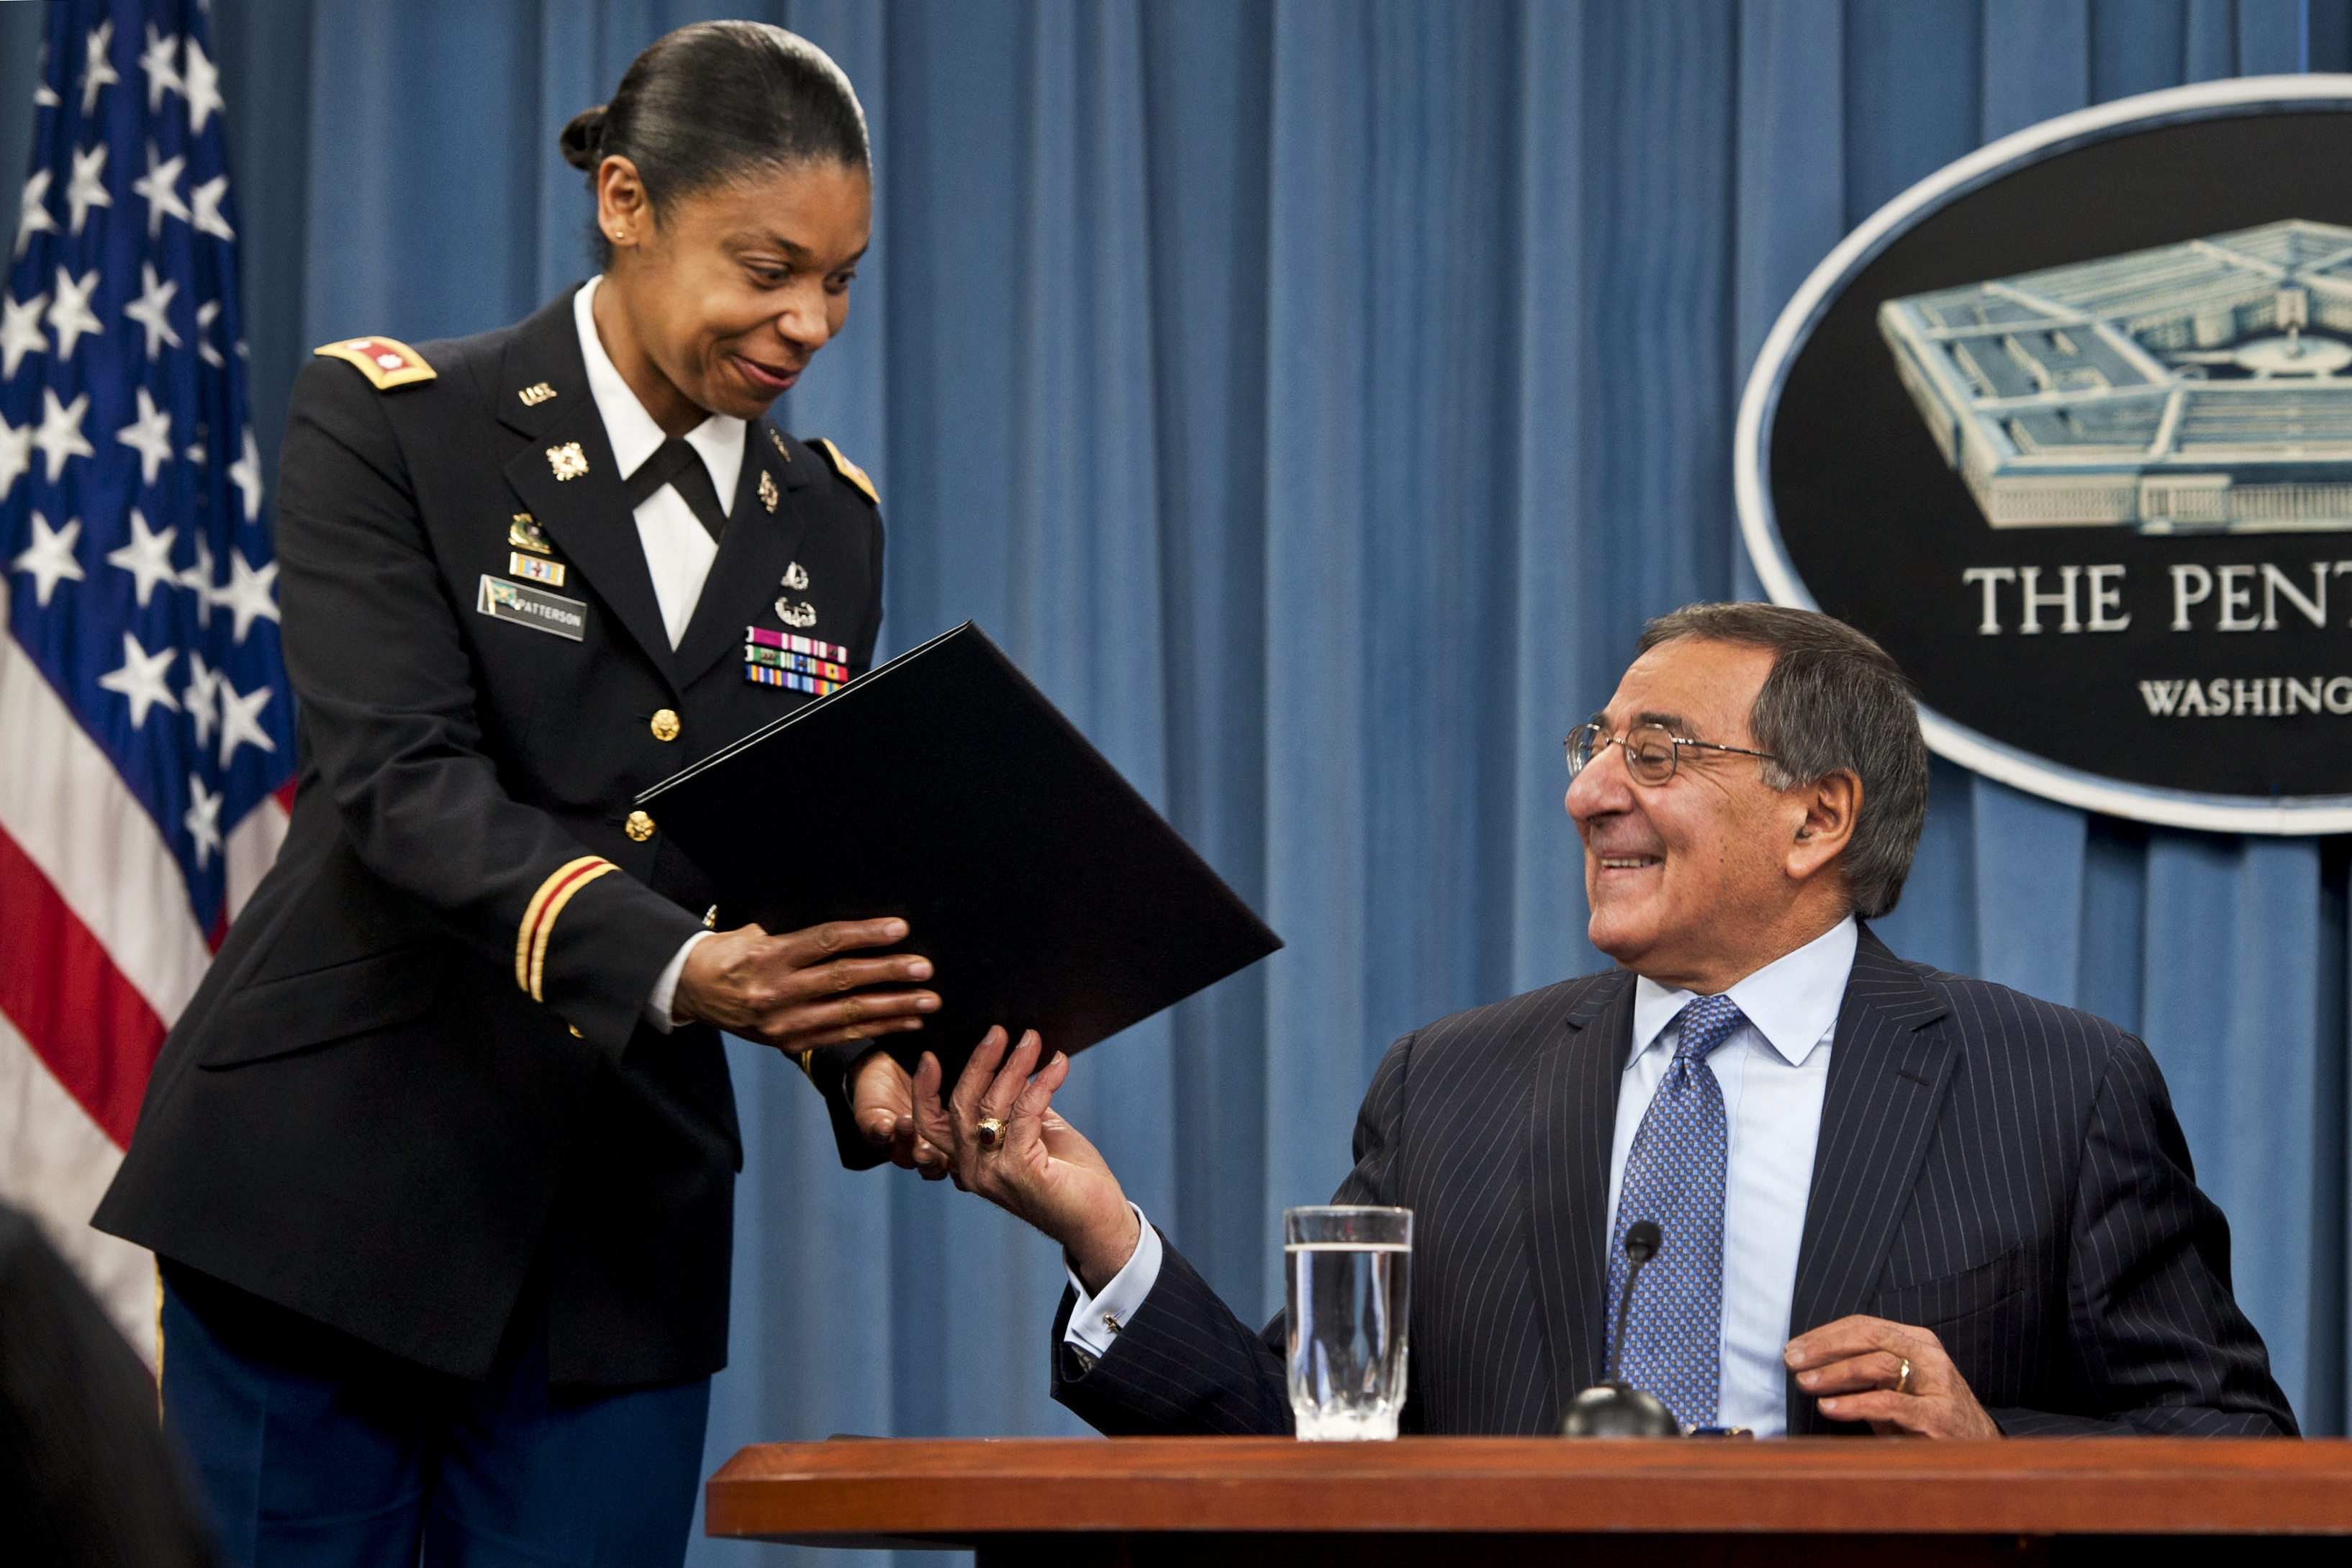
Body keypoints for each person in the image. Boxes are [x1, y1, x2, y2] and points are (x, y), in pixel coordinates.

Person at [94, 23, 933, 1566]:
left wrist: (866, 1054)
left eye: (841, 278)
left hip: (617, 1247)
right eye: (766, 267)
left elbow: (772, 856)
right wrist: (684, 967)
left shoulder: (830, 529)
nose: (808, 320)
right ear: (625, 200)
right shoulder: (398, 425)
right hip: (327, 1195)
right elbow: (402, 782)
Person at [906, 602, 2296, 1438]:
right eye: (1594, 748)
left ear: (1820, 817)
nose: (1588, 795)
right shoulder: (1451, 1084)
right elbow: (1312, 1436)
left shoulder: (2054, 1087)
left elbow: (2228, 1444)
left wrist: (1991, 1442)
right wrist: (1099, 1230)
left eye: (1660, 754)